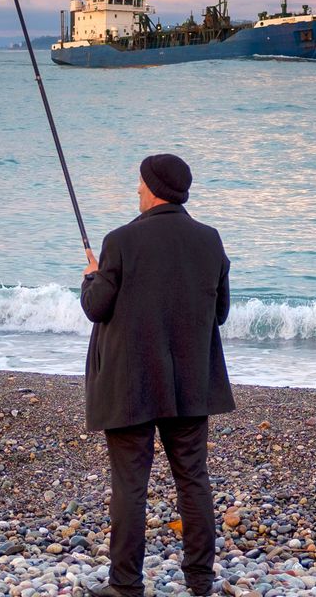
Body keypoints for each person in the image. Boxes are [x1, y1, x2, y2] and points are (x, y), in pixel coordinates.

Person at [80, 153, 235, 597]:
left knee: (130, 484)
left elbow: (96, 307)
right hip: (191, 383)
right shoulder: (210, 240)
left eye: (139, 183)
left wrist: (91, 277)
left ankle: (125, 586)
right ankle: (200, 582)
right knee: (193, 478)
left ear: (152, 188)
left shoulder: (121, 241)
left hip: (131, 386)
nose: (136, 190)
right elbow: (220, 314)